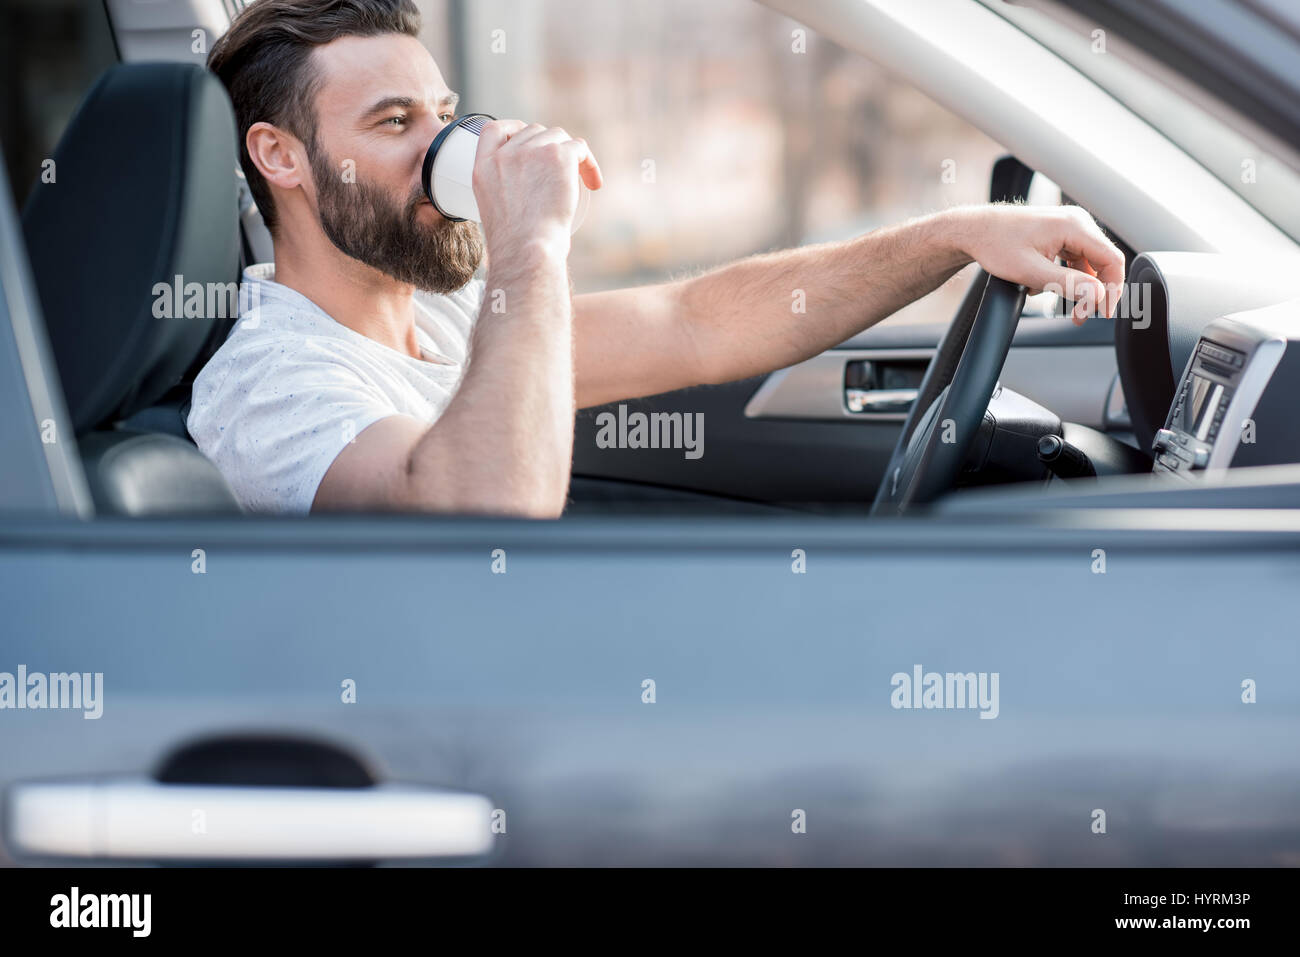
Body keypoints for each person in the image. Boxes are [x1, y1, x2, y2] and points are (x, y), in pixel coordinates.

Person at [190, 0, 1125, 516]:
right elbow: (482, 515)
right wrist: (532, 242)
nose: (444, 149)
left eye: (443, 113)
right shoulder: (272, 383)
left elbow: (696, 324)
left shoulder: (434, 314)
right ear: (282, 157)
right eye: (395, 124)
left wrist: (954, 237)